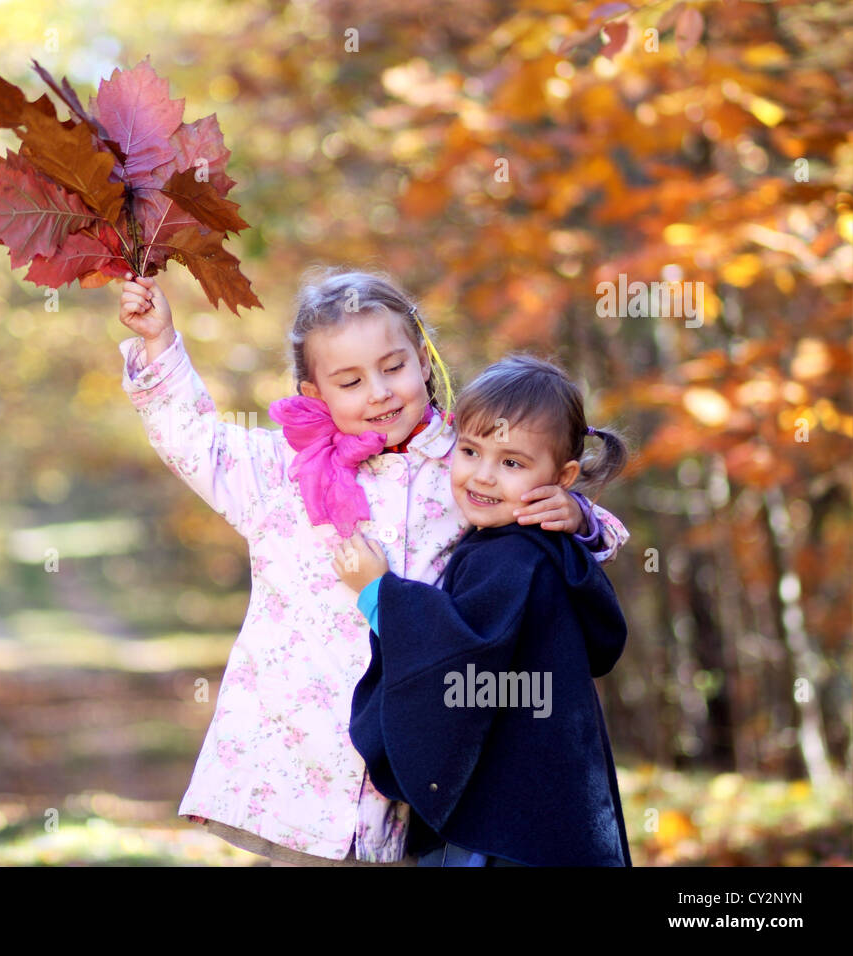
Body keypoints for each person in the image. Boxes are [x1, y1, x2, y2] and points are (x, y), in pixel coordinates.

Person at [117, 266, 631, 865]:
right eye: (351, 381)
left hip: (402, 762)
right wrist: (160, 343)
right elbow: (195, 440)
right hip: (291, 755)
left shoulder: (463, 464)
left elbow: (574, 538)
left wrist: (576, 513)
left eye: (393, 367)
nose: (380, 392)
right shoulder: (280, 472)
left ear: (422, 357)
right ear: (316, 395)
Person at [333, 353, 633, 866]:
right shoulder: (544, 545)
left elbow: (463, 652)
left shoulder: (515, 555)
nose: (484, 476)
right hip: (553, 812)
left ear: (562, 476)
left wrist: (380, 593)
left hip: (507, 823)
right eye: (470, 451)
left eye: (512, 463)